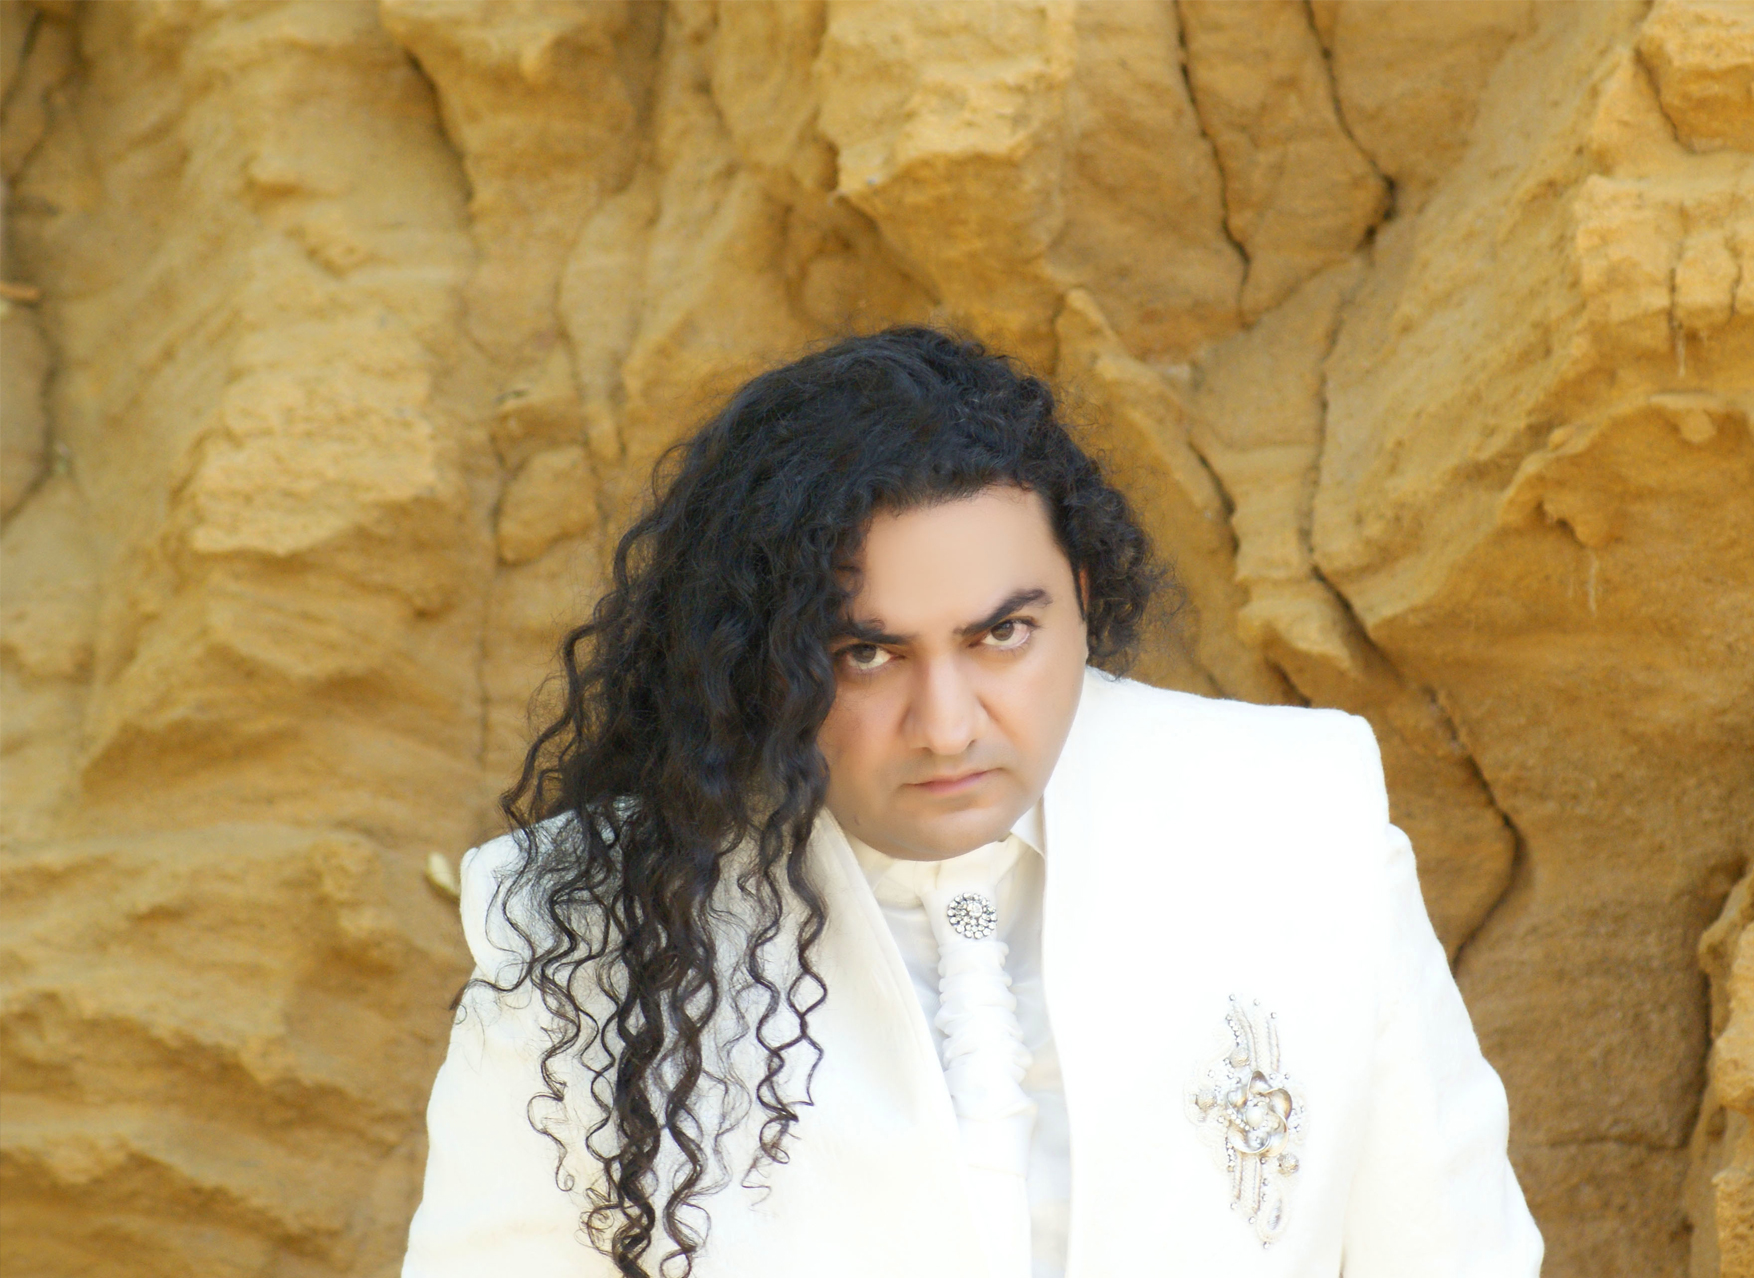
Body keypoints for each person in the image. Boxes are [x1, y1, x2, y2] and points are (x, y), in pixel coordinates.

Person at [401, 328, 1543, 1278]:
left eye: (1002, 634)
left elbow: (1456, 1256)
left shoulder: (1299, 819)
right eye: (865, 653)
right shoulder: (586, 921)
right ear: (763, 658)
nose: (946, 725)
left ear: (1082, 599)